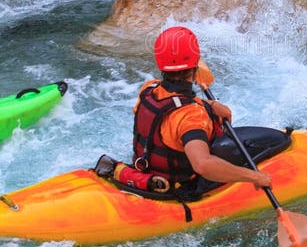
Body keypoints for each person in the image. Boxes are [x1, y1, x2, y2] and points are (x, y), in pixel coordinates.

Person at [95, 26, 271, 202]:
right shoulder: (191, 116)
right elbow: (203, 165)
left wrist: (211, 105)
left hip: (143, 172)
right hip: (176, 187)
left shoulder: (149, 89)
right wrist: (255, 177)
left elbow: (170, 106)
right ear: (195, 67)